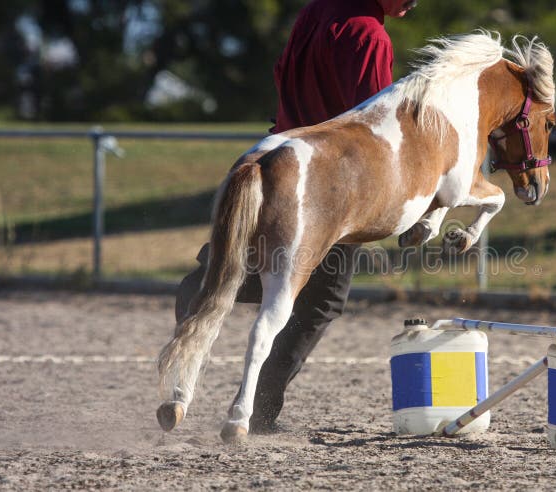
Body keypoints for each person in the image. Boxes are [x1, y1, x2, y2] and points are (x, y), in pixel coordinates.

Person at [174, 0, 417, 432]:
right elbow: (373, 124)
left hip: (277, 150)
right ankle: (261, 411)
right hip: (331, 180)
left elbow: (282, 72)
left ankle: (199, 286)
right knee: (321, 301)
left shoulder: (315, 10)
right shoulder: (370, 35)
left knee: (249, 267)